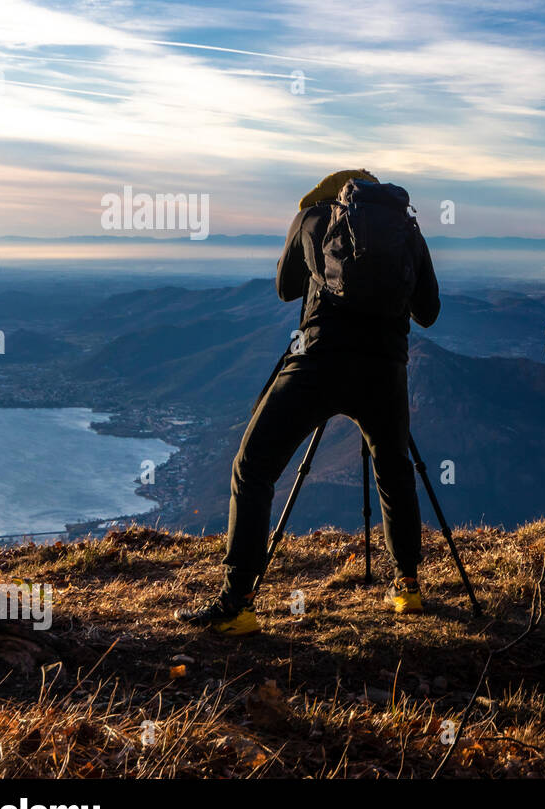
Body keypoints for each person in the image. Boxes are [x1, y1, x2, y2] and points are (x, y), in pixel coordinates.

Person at [175, 169, 440, 635]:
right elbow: (429, 312)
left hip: (316, 362)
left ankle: (238, 604)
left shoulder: (313, 218)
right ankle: (408, 588)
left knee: (253, 467)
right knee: (394, 470)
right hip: (384, 370)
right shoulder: (406, 229)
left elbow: (285, 289)